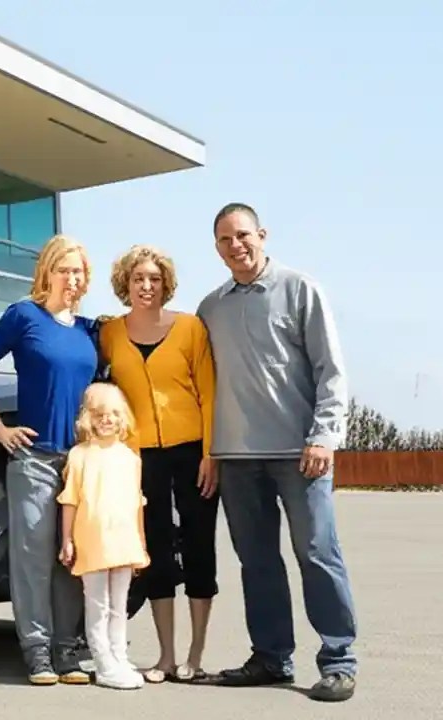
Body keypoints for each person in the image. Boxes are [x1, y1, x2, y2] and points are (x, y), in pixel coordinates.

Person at [195, 203, 358, 703]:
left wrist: (324, 436)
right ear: (217, 247)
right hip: (237, 459)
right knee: (257, 561)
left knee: (316, 554)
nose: (236, 245)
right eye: (225, 240)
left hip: (299, 454)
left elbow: (331, 369)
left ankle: (339, 660)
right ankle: (271, 656)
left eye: (243, 235)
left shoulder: (300, 289)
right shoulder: (210, 307)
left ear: (262, 235)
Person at [0, 234, 99, 686]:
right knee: (33, 558)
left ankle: (67, 651)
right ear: (47, 271)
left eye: (78, 270)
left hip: (80, 461)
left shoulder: (88, 331)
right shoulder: (24, 316)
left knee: (71, 559)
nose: (72, 277)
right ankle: (37, 651)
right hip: (34, 460)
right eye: (64, 268)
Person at [97, 244, 219, 684]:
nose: (146, 286)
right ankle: (166, 657)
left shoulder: (190, 328)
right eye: (138, 279)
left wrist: (211, 455)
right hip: (139, 457)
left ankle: (195, 654)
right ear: (124, 284)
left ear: (166, 283)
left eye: (154, 278)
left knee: (200, 547)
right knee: (156, 553)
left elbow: (209, 393)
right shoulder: (110, 334)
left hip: (192, 453)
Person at [57, 382, 150, 690]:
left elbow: (137, 503)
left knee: (118, 603)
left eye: (112, 414)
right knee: (97, 603)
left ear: (122, 417)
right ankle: (103, 661)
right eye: (99, 414)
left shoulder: (130, 458)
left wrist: (141, 543)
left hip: (124, 541)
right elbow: (69, 500)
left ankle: (119, 655)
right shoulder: (80, 455)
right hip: (93, 540)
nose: (106, 420)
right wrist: (66, 539)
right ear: (88, 418)